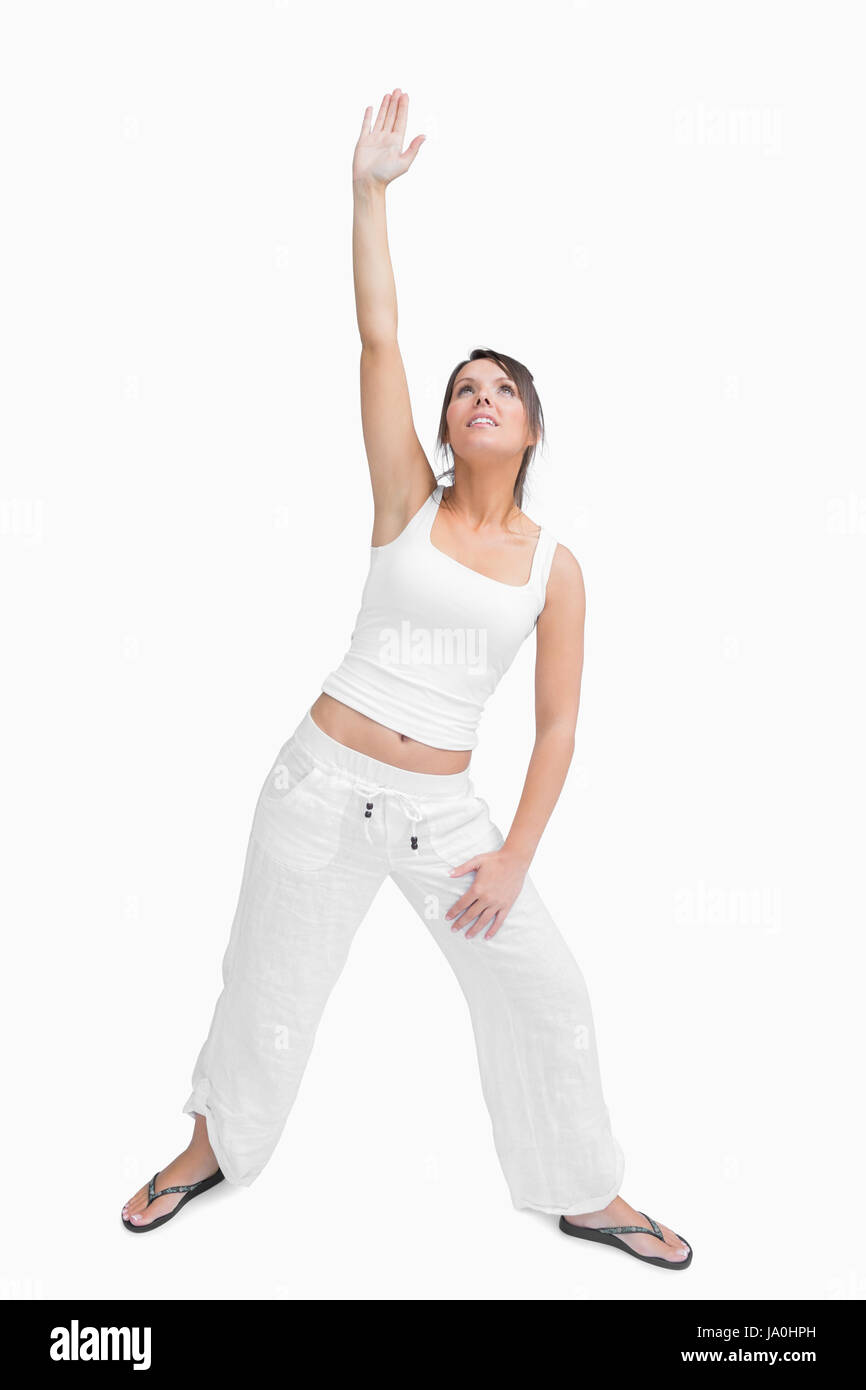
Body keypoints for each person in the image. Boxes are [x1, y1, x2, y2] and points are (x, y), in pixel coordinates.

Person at [121, 87, 692, 1271]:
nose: (477, 394)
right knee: (265, 987)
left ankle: (584, 1190)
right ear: (443, 429)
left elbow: (557, 728)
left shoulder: (555, 568)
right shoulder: (405, 505)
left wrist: (516, 851)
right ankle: (208, 1145)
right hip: (319, 786)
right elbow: (379, 337)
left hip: (448, 822)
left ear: (531, 427)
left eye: (501, 388)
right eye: (463, 388)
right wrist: (366, 191)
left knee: (547, 992)